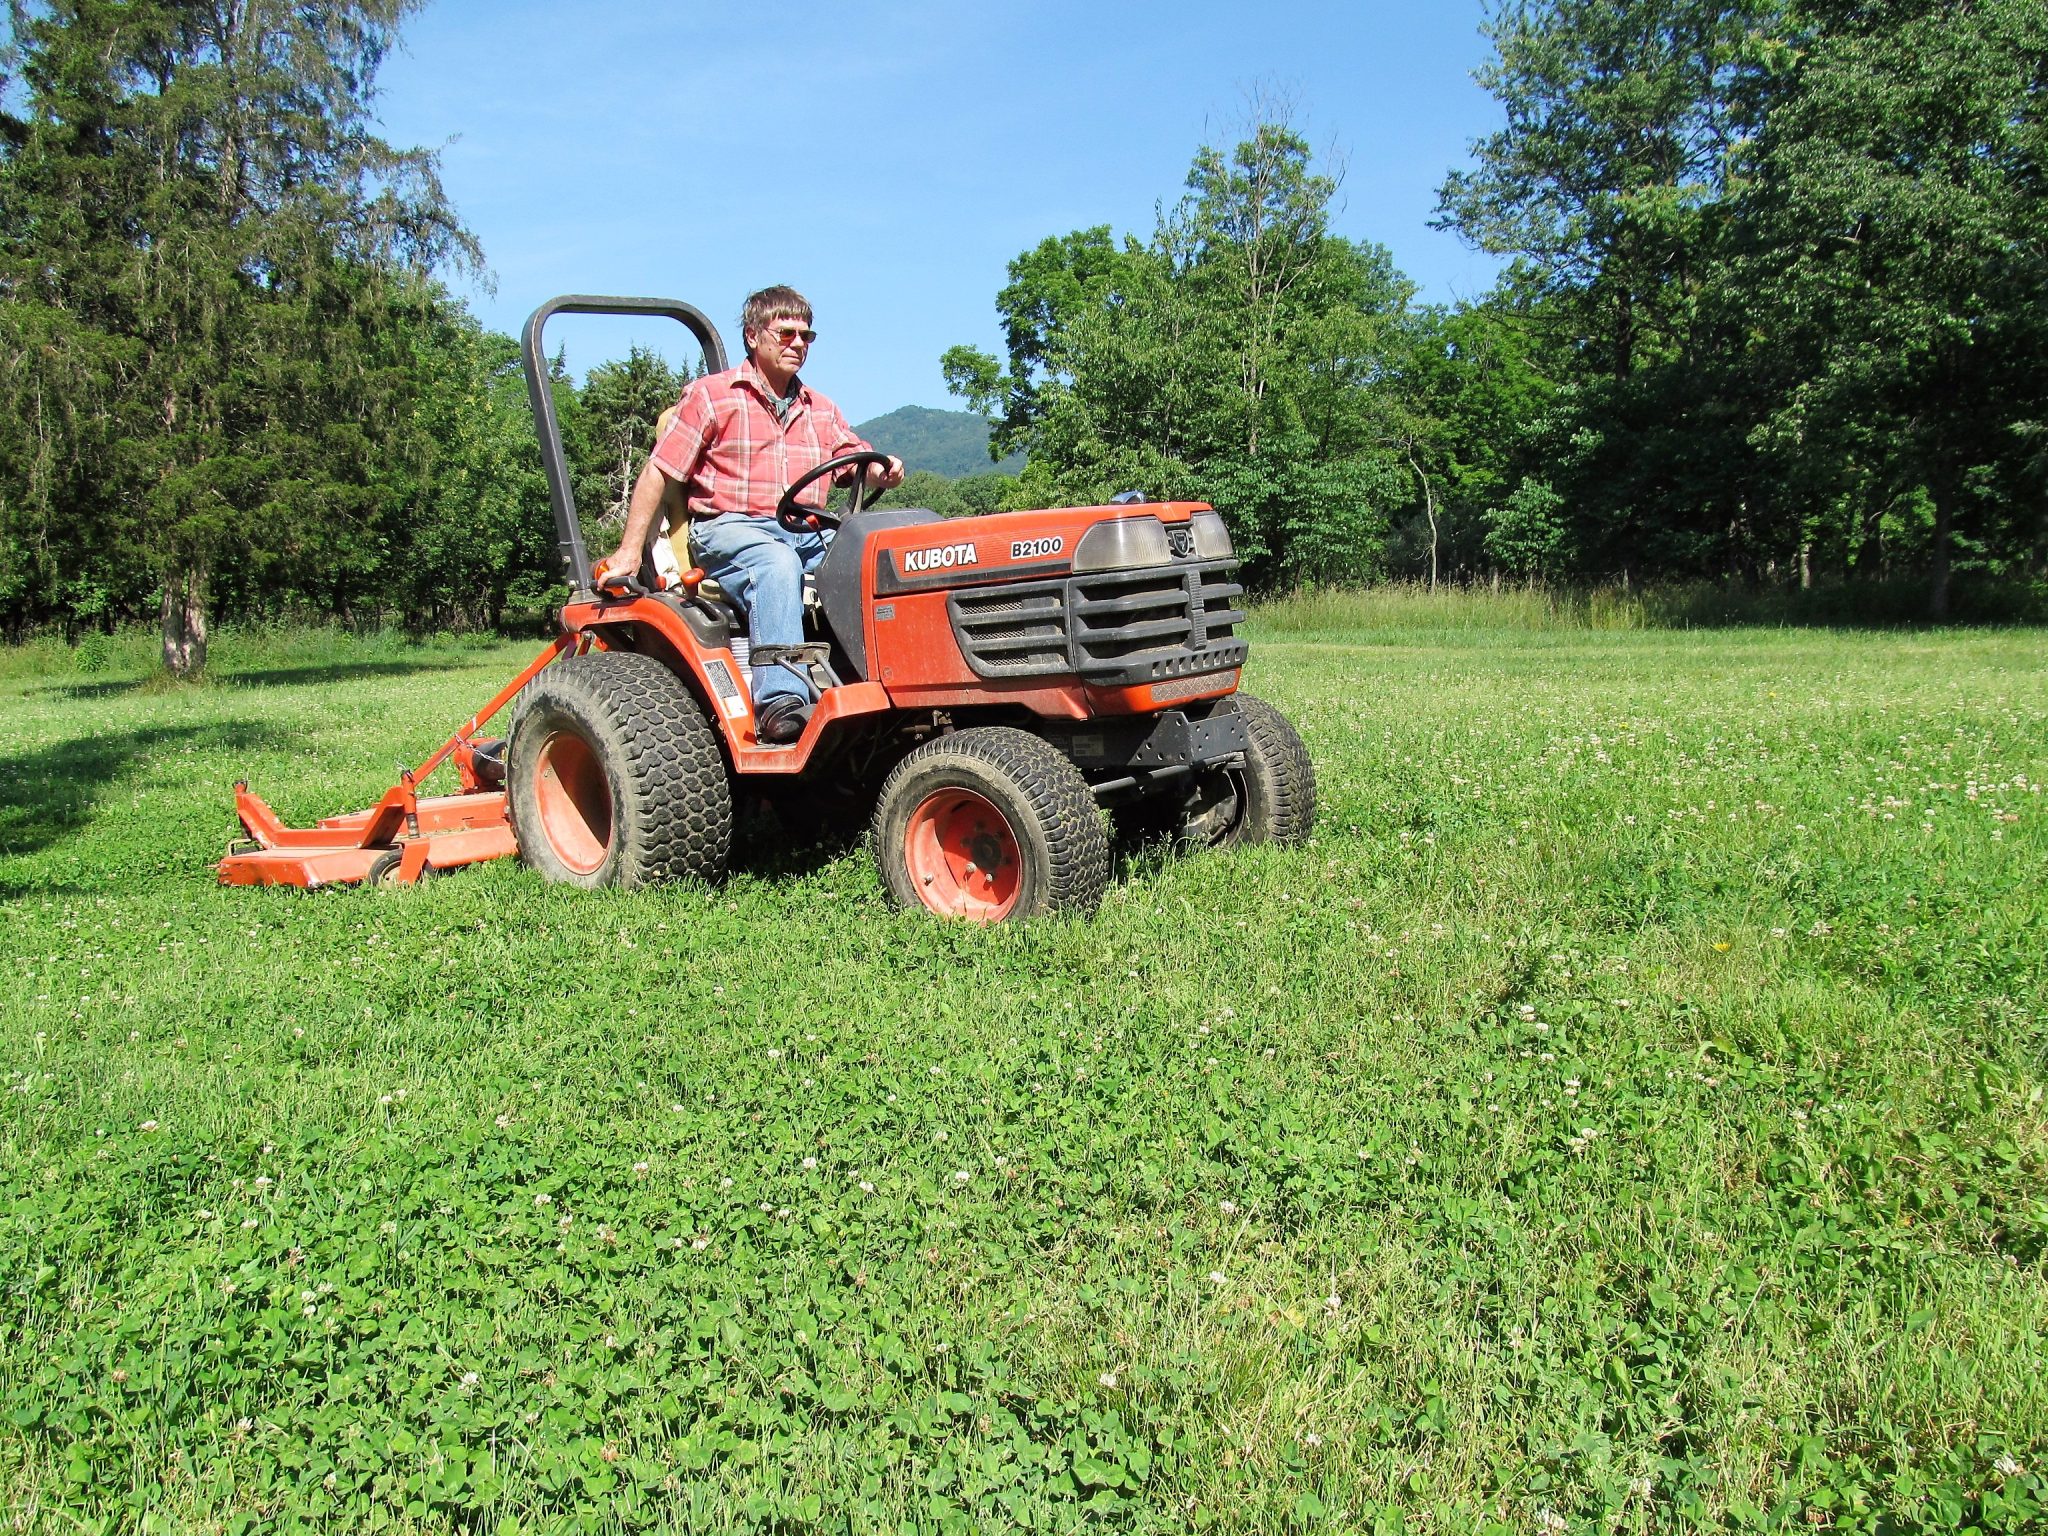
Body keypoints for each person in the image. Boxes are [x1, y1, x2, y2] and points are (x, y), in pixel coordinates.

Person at [596, 286, 903, 743]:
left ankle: (889, 684)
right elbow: (660, 470)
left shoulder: (819, 408)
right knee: (775, 563)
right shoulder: (712, 397)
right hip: (729, 530)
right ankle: (781, 702)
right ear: (754, 336)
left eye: (806, 335)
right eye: (786, 333)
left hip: (806, 529)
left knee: (877, 561)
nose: (798, 343)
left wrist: (882, 468)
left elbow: (854, 458)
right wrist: (626, 551)